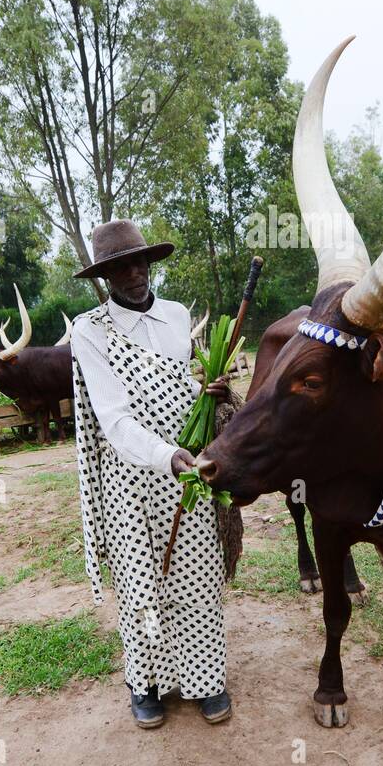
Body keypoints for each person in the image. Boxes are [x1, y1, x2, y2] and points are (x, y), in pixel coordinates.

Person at [69, 220, 232, 729]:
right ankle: (146, 685)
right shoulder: (90, 331)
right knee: (142, 583)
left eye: (139, 262)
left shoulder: (178, 316)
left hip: (188, 470)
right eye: (120, 267)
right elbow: (112, 417)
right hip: (130, 476)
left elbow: (182, 384)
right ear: (105, 276)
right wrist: (165, 456)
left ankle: (205, 680)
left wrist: (213, 392)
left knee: (198, 577)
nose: (134, 273)